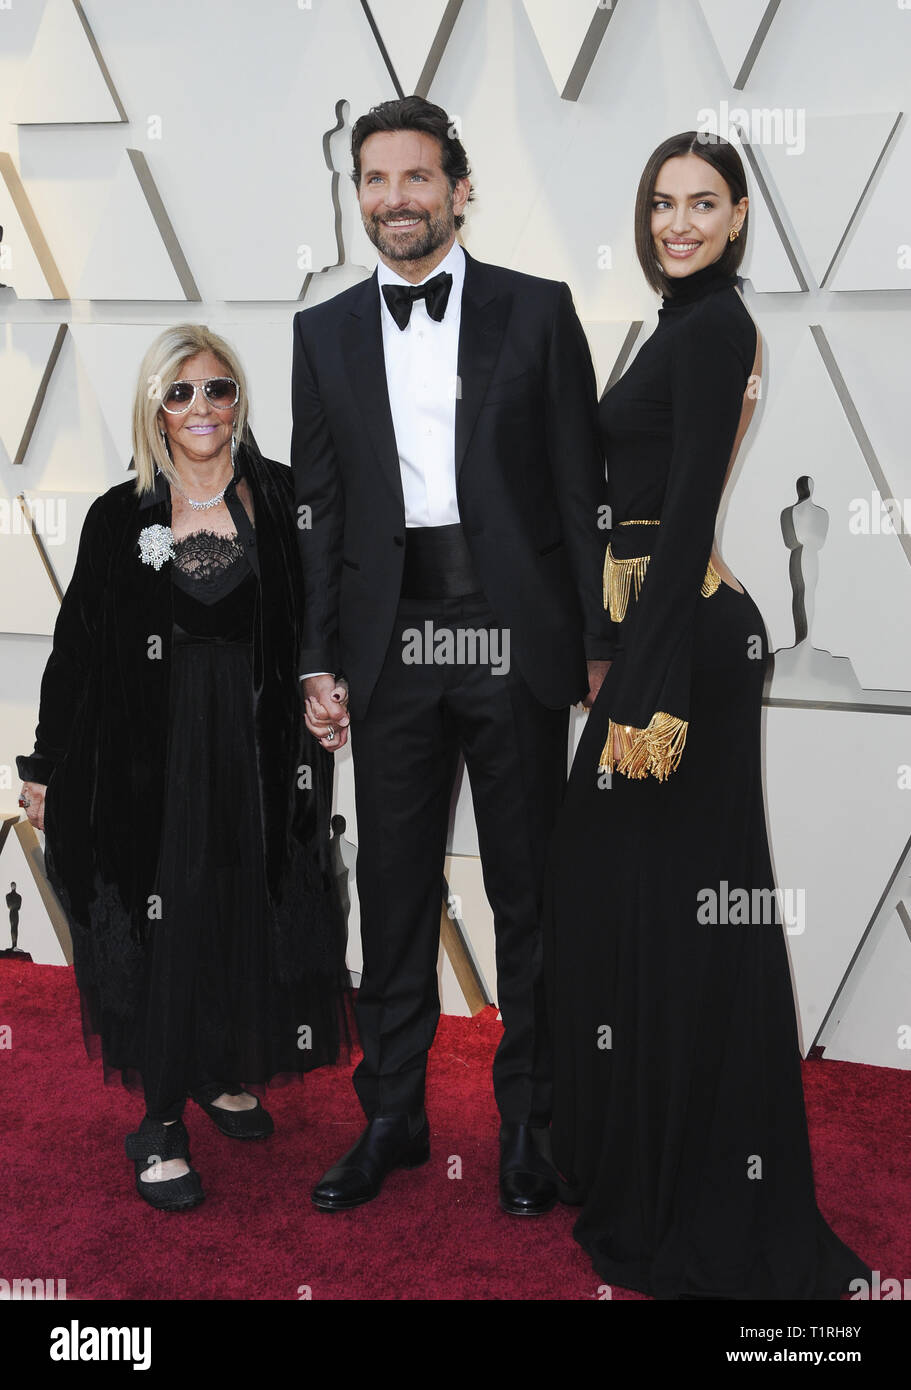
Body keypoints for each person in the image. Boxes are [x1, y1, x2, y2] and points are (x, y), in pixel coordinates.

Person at [544, 132, 871, 1297]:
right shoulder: (679, 328)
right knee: (648, 922)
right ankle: (652, 1161)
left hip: (686, 655)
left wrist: (647, 689)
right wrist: (606, 646)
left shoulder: (720, 324)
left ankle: (708, 1194)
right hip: (655, 642)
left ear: (737, 218)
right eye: (660, 204)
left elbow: (684, 517)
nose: (676, 222)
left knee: (690, 931)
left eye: (701, 204)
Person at [291, 96, 612, 1214]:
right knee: (393, 888)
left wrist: (595, 645)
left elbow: (579, 490)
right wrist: (314, 659)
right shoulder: (321, 331)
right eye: (373, 180)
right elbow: (320, 511)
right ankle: (392, 1116)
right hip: (388, 648)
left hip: (509, 636)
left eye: (415, 178)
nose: (393, 200)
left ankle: (530, 1124)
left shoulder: (535, 310)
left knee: (527, 891)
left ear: (458, 188)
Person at [17, 325, 348, 1211]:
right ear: (153, 410)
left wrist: (331, 689)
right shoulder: (117, 514)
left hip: (256, 756)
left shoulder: (280, 499)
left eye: (217, 389)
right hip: (144, 767)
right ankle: (160, 1118)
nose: (201, 408)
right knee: (166, 916)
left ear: (239, 401)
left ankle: (214, 1066)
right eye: (180, 392)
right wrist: (45, 765)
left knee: (240, 908)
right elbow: (75, 651)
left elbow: (322, 618)